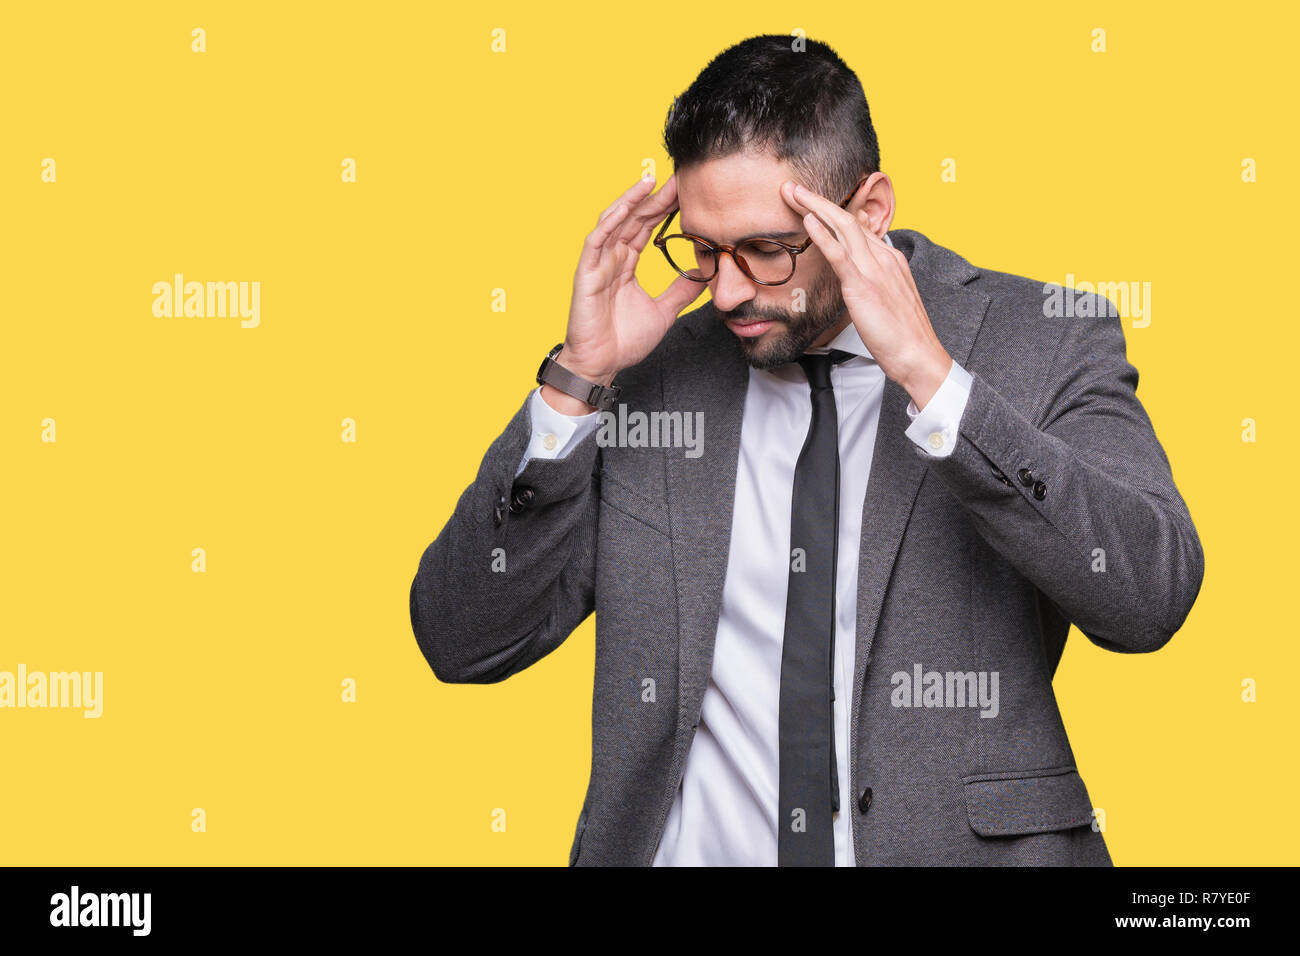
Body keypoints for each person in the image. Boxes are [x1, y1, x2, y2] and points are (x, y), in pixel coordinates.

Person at [408, 34, 1204, 866]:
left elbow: (1149, 598)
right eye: (706, 251)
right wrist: (575, 381)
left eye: (765, 250)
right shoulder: (652, 378)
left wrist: (936, 384)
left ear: (868, 212)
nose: (726, 291)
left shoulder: (1040, 339)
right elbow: (461, 639)